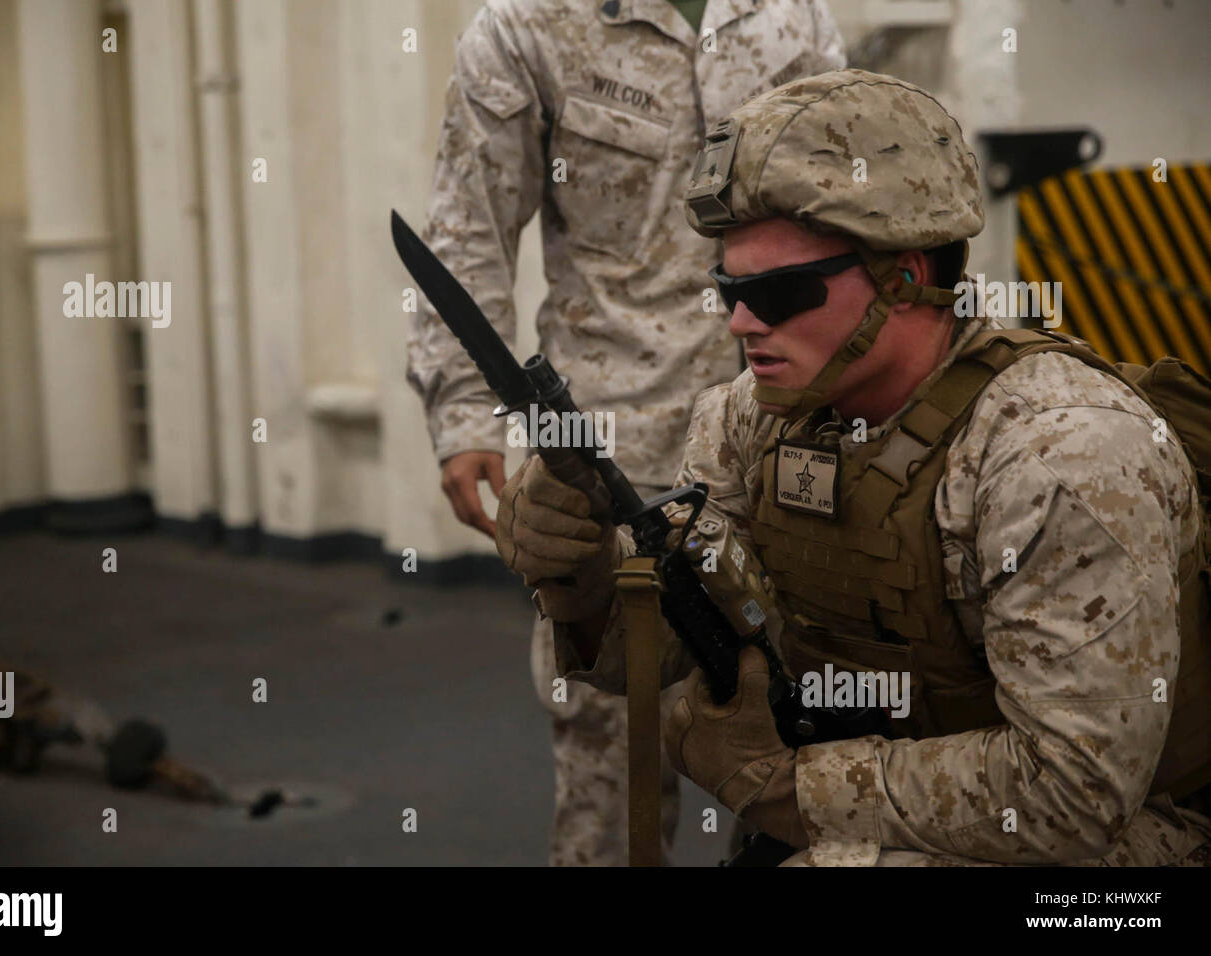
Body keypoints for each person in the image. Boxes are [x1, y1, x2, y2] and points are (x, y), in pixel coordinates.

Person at [496, 68, 1211, 865]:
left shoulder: (1060, 454)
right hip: (885, 801)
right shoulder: (750, 418)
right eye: (729, 286)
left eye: (779, 291)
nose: (737, 320)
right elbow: (692, 631)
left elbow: (1074, 792)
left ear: (903, 279)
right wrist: (590, 580)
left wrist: (794, 789)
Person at [406, 0, 845, 865]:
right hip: (610, 458)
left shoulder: (790, 19)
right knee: (608, 764)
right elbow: (467, 228)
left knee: (805, 734)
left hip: (781, 438)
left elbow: (845, 212)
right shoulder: (528, 25)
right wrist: (462, 410)